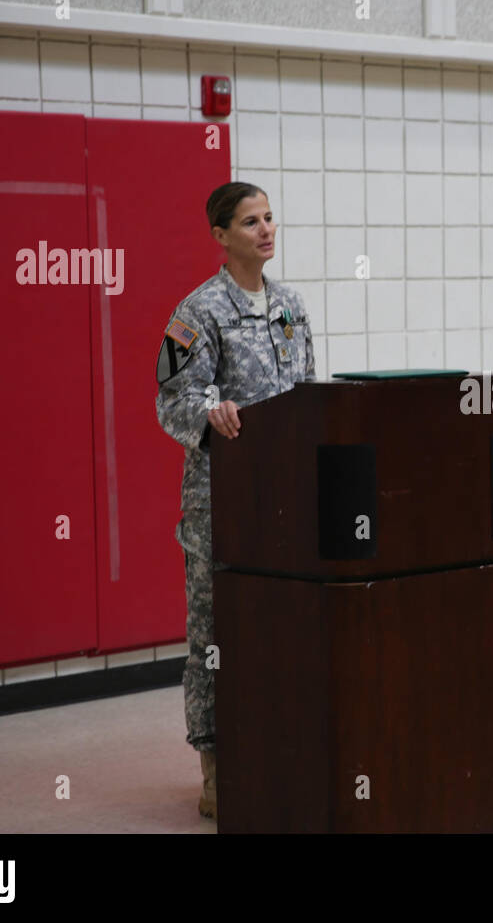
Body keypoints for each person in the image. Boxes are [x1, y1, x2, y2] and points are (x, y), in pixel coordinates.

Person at [155, 182, 316, 818]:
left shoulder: (292, 306)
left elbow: (307, 396)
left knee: (284, 630)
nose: (266, 230)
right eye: (251, 222)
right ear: (221, 236)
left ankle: (280, 753)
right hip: (220, 508)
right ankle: (216, 770)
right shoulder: (194, 313)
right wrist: (209, 412)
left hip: (285, 503)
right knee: (215, 638)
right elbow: (170, 403)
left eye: (270, 218)